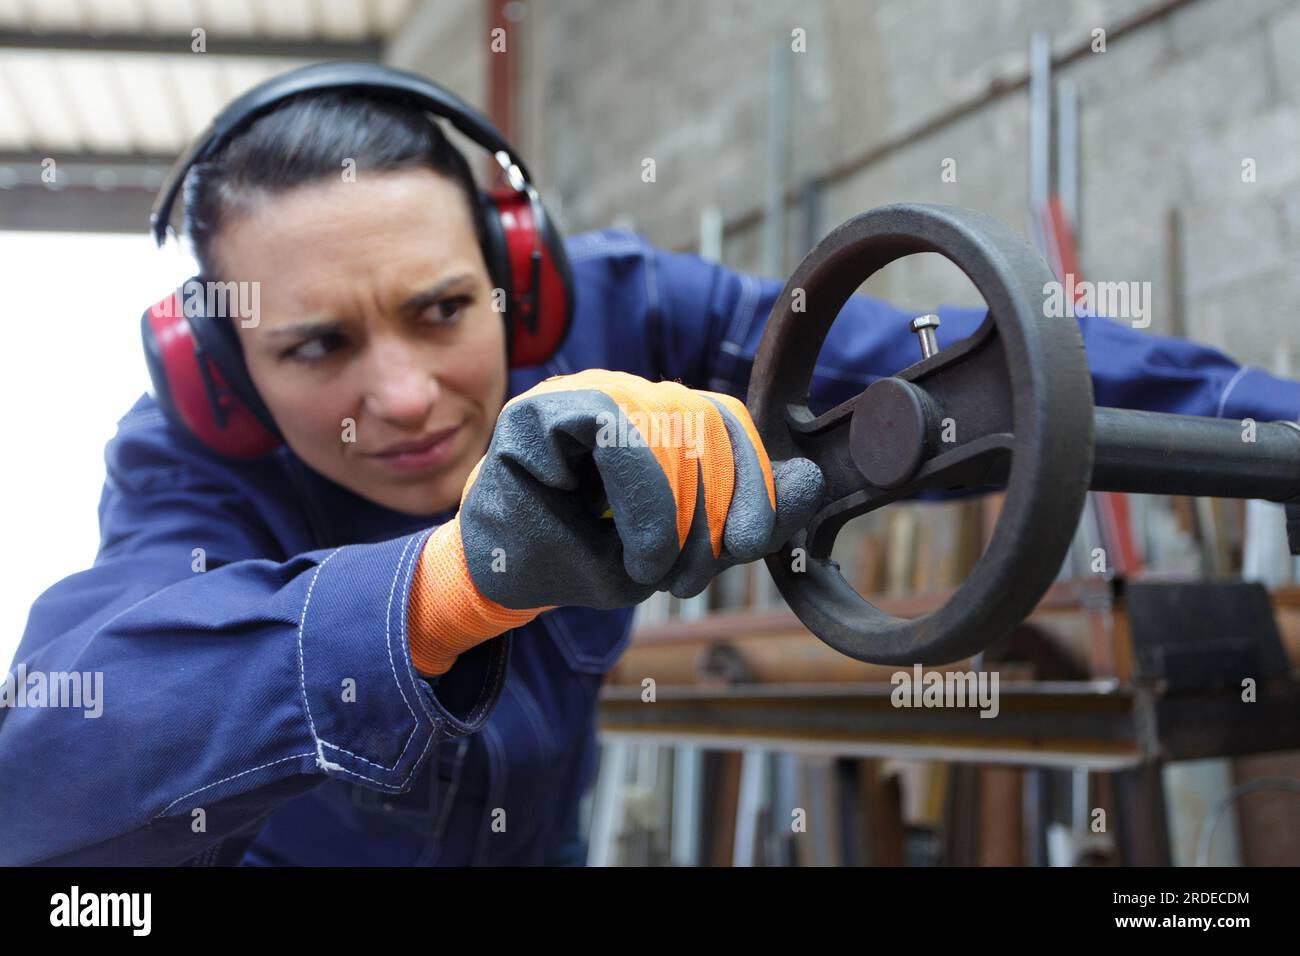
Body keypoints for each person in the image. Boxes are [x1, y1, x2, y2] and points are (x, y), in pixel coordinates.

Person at [2, 63, 1296, 866]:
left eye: (444, 310)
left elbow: (955, 366)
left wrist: (1265, 425)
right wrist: (449, 590)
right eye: (318, 346)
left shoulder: (622, 316)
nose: (402, 398)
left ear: (520, 280)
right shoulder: (190, 461)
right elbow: (54, 777)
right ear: (221, 374)